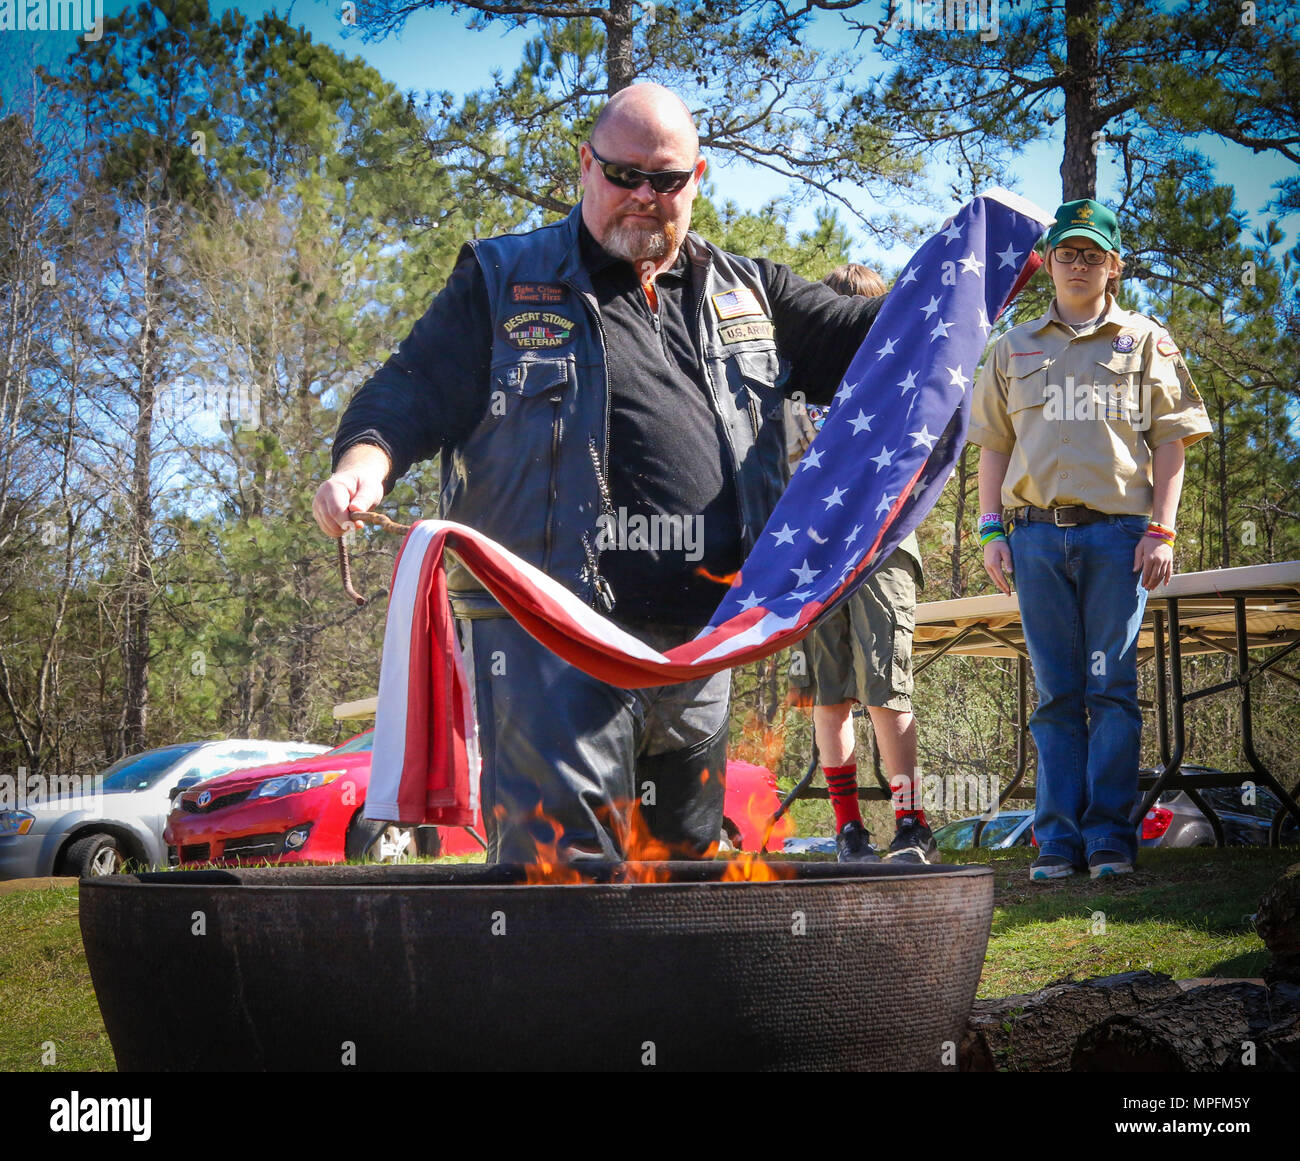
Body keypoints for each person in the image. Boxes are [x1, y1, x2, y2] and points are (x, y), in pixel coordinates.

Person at [313, 83, 887, 864]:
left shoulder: (748, 290)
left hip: (701, 650)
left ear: (699, 178)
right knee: (563, 886)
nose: (645, 197)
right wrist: (363, 465)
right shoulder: (502, 278)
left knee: (680, 880)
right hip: (553, 645)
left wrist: (982, 262)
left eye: (667, 180)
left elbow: (881, 335)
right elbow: (407, 389)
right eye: (623, 175)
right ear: (585, 164)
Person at [969, 198, 1211, 881]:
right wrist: (990, 529)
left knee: (1110, 692)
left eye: (1092, 254)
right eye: (1067, 253)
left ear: (1115, 266)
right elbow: (993, 446)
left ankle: (1108, 839)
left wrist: (1163, 529)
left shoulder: (1145, 341)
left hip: (1119, 540)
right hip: (1036, 541)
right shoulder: (1011, 346)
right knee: (1054, 695)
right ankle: (1056, 841)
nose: (1079, 265)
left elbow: (1172, 442)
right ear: (1047, 263)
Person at [784, 264, 932, 864]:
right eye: (831, 311)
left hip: (882, 549)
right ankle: (849, 829)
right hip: (812, 554)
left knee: (885, 688)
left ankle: (911, 823)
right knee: (830, 693)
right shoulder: (795, 383)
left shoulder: (899, 381)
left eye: (859, 315)